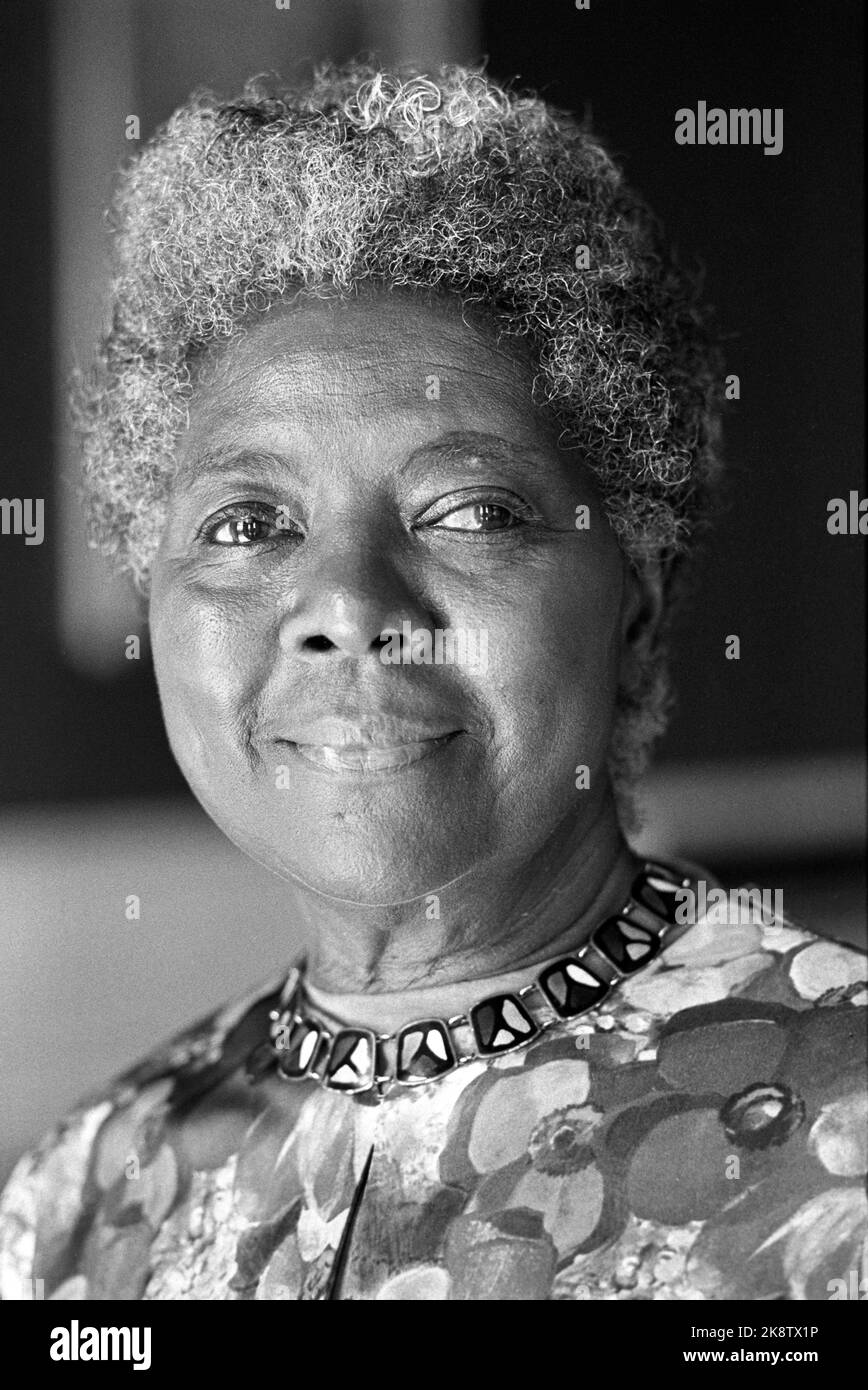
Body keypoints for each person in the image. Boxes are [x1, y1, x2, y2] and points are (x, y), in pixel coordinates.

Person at [1, 63, 864, 1302]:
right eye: (246, 523)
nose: (348, 606)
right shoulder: (75, 1206)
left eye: (468, 509)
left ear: (638, 599)